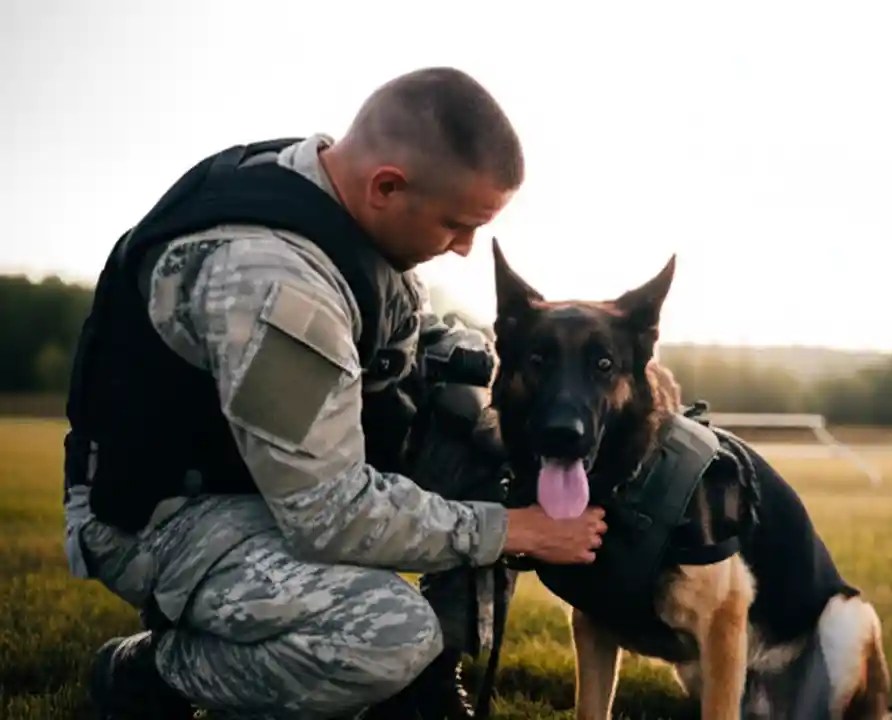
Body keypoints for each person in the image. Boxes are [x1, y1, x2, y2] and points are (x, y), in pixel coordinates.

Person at [61, 67, 608, 719]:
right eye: (456, 224)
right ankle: (153, 673)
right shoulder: (273, 283)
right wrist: (512, 530)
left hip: (259, 478)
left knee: (483, 438)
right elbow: (328, 513)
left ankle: (428, 687)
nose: (464, 248)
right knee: (387, 635)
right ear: (388, 187)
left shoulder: (330, 194)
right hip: (164, 512)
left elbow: (398, 332)